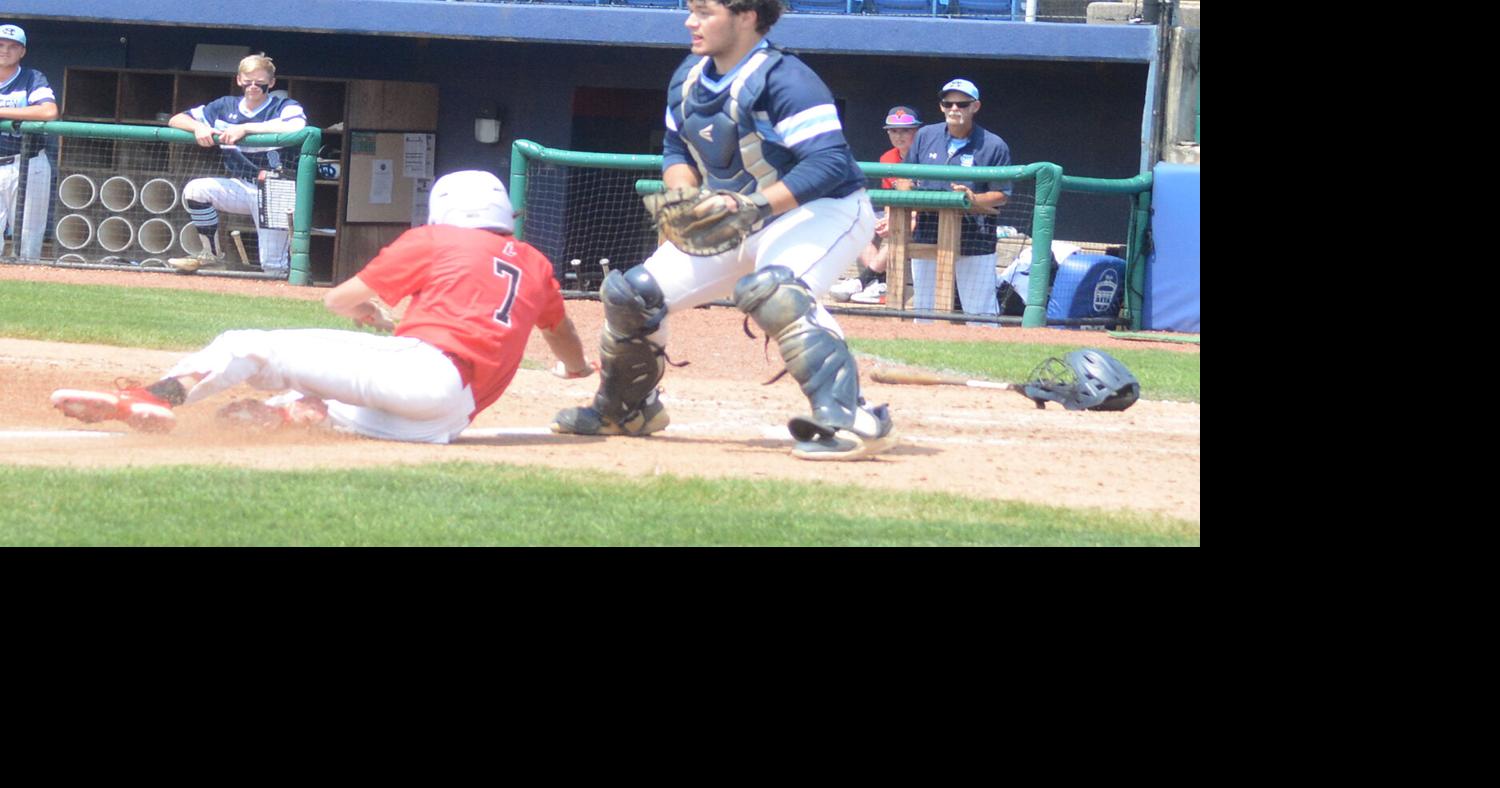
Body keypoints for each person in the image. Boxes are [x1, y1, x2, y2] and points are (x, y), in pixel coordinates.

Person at [550, 0, 893, 461]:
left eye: (704, 11)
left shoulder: (786, 79)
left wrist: (752, 205)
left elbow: (830, 163)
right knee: (633, 295)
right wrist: (684, 197)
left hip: (822, 209)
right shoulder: (689, 76)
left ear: (748, 16)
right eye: (691, 9)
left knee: (775, 292)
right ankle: (626, 410)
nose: (690, 22)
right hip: (737, 214)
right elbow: (676, 149)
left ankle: (852, 417)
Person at [50, 170, 593, 444]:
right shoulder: (536, 263)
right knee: (320, 398)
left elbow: (340, 299)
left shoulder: (435, 239)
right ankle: (296, 411)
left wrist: (368, 312)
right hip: (449, 418)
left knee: (248, 344)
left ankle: (154, 397)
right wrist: (576, 369)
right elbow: (564, 335)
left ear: (444, 208)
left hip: (423, 369)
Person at [166, 53, 307, 277]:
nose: (253, 86)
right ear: (239, 80)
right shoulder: (225, 106)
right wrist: (198, 128)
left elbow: (297, 126)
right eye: (248, 80)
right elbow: (175, 119)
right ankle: (211, 254)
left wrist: (247, 128)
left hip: (277, 189)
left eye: (260, 82)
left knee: (273, 267)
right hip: (242, 186)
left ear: (271, 83)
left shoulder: (283, 106)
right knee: (196, 190)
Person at [906, 78, 1012, 325]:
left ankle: (987, 360)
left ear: (975, 107)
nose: (954, 109)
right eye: (948, 103)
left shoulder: (993, 144)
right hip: (928, 231)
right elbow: (906, 177)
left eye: (962, 104)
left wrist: (973, 198)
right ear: (941, 106)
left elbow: (1002, 194)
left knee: (980, 312)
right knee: (925, 309)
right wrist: (907, 191)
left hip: (974, 234)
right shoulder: (925, 136)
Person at [833, 105, 921, 305]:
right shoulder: (887, 158)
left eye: (906, 130)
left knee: (902, 226)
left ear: (917, 131)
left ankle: (862, 280)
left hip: (923, 217)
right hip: (898, 213)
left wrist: (899, 220)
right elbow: (890, 197)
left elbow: (930, 201)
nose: (899, 136)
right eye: (894, 131)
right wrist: (887, 218)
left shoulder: (926, 156)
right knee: (861, 226)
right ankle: (881, 284)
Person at [0, 24, 58, 257]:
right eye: (1, 45)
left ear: (22, 52)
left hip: (27, 164)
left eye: (13, 46)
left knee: (28, 243)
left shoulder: (31, 78)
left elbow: (48, 112)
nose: (5, 50)